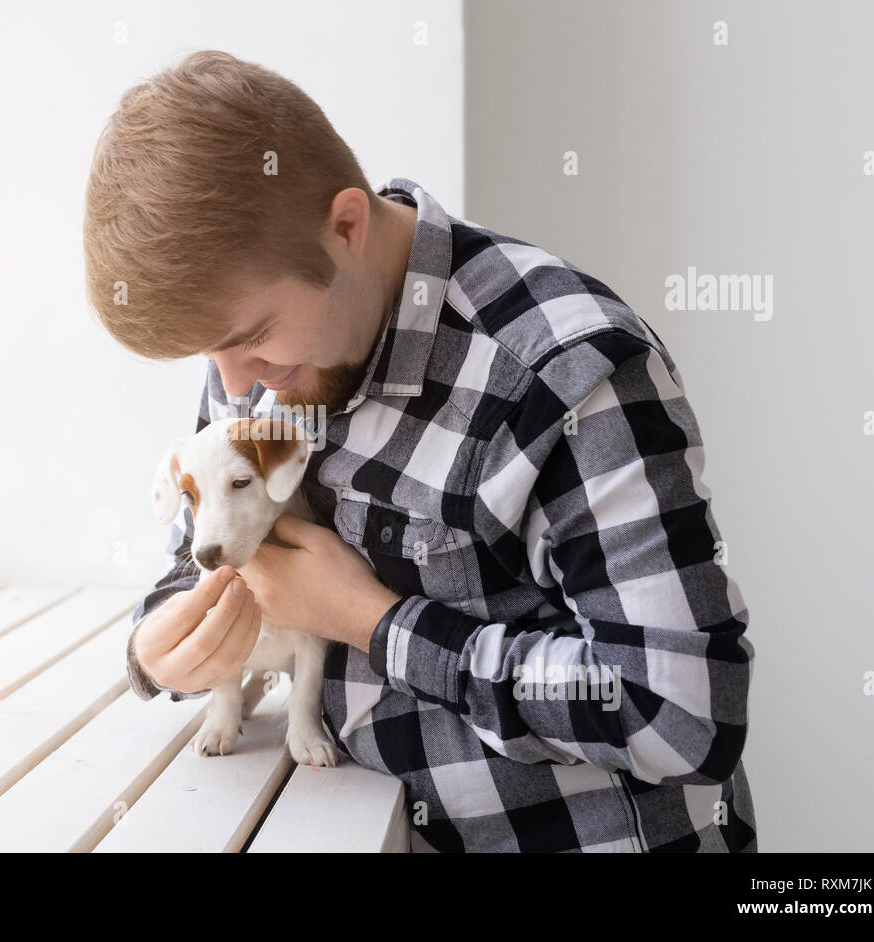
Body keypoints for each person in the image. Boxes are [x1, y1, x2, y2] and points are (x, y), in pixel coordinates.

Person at [83, 50, 757, 853]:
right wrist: (157, 648)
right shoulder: (260, 363)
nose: (236, 385)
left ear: (345, 227)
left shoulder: (567, 371)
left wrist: (371, 620)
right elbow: (193, 555)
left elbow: (683, 714)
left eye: (253, 338)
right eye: (211, 354)